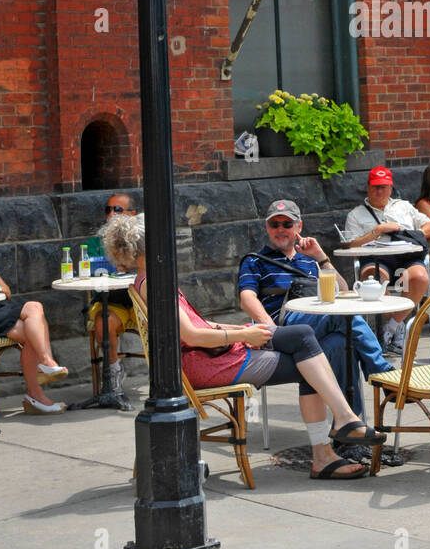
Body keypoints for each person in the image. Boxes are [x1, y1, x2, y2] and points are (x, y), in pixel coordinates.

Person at [103, 211, 384, 481]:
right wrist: (242, 338)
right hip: (208, 364)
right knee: (308, 359)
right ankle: (332, 441)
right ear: (149, 247)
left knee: (308, 339)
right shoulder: (156, 284)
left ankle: (341, 426)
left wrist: (241, 329)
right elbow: (191, 336)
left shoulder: (149, 281)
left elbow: (198, 328)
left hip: (209, 356)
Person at [238, 200, 392, 417]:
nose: (280, 229)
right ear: (267, 228)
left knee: (341, 343)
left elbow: (342, 289)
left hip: (315, 327)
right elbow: (247, 299)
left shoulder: (309, 260)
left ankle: (350, 433)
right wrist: (272, 329)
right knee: (343, 319)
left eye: (287, 224)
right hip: (285, 327)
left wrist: (321, 257)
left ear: (299, 227)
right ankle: (382, 373)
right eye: (275, 224)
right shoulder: (255, 261)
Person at [0, 206, 69, 414]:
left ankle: (35, 395)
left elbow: (6, 290)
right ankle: (45, 364)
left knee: (32, 331)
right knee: (34, 307)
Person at [342, 165, 430, 353]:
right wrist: (377, 232)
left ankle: (391, 327)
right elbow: (351, 245)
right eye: (376, 186)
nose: (380, 191)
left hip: (406, 258)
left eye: (384, 187)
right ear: (368, 188)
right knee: (374, 278)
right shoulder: (356, 214)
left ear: (391, 188)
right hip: (376, 260)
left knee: (421, 277)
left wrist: (410, 235)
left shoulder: (404, 206)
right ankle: (397, 328)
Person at [87, 192, 138, 395]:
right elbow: (89, 273)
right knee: (103, 321)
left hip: (141, 300)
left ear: (132, 214)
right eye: (108, 209)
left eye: (117, 209)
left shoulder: (142, 239)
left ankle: (171, 375)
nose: (111, 214)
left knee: (169, 318)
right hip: (112, 301)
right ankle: (114, 372)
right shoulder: (94, 243)